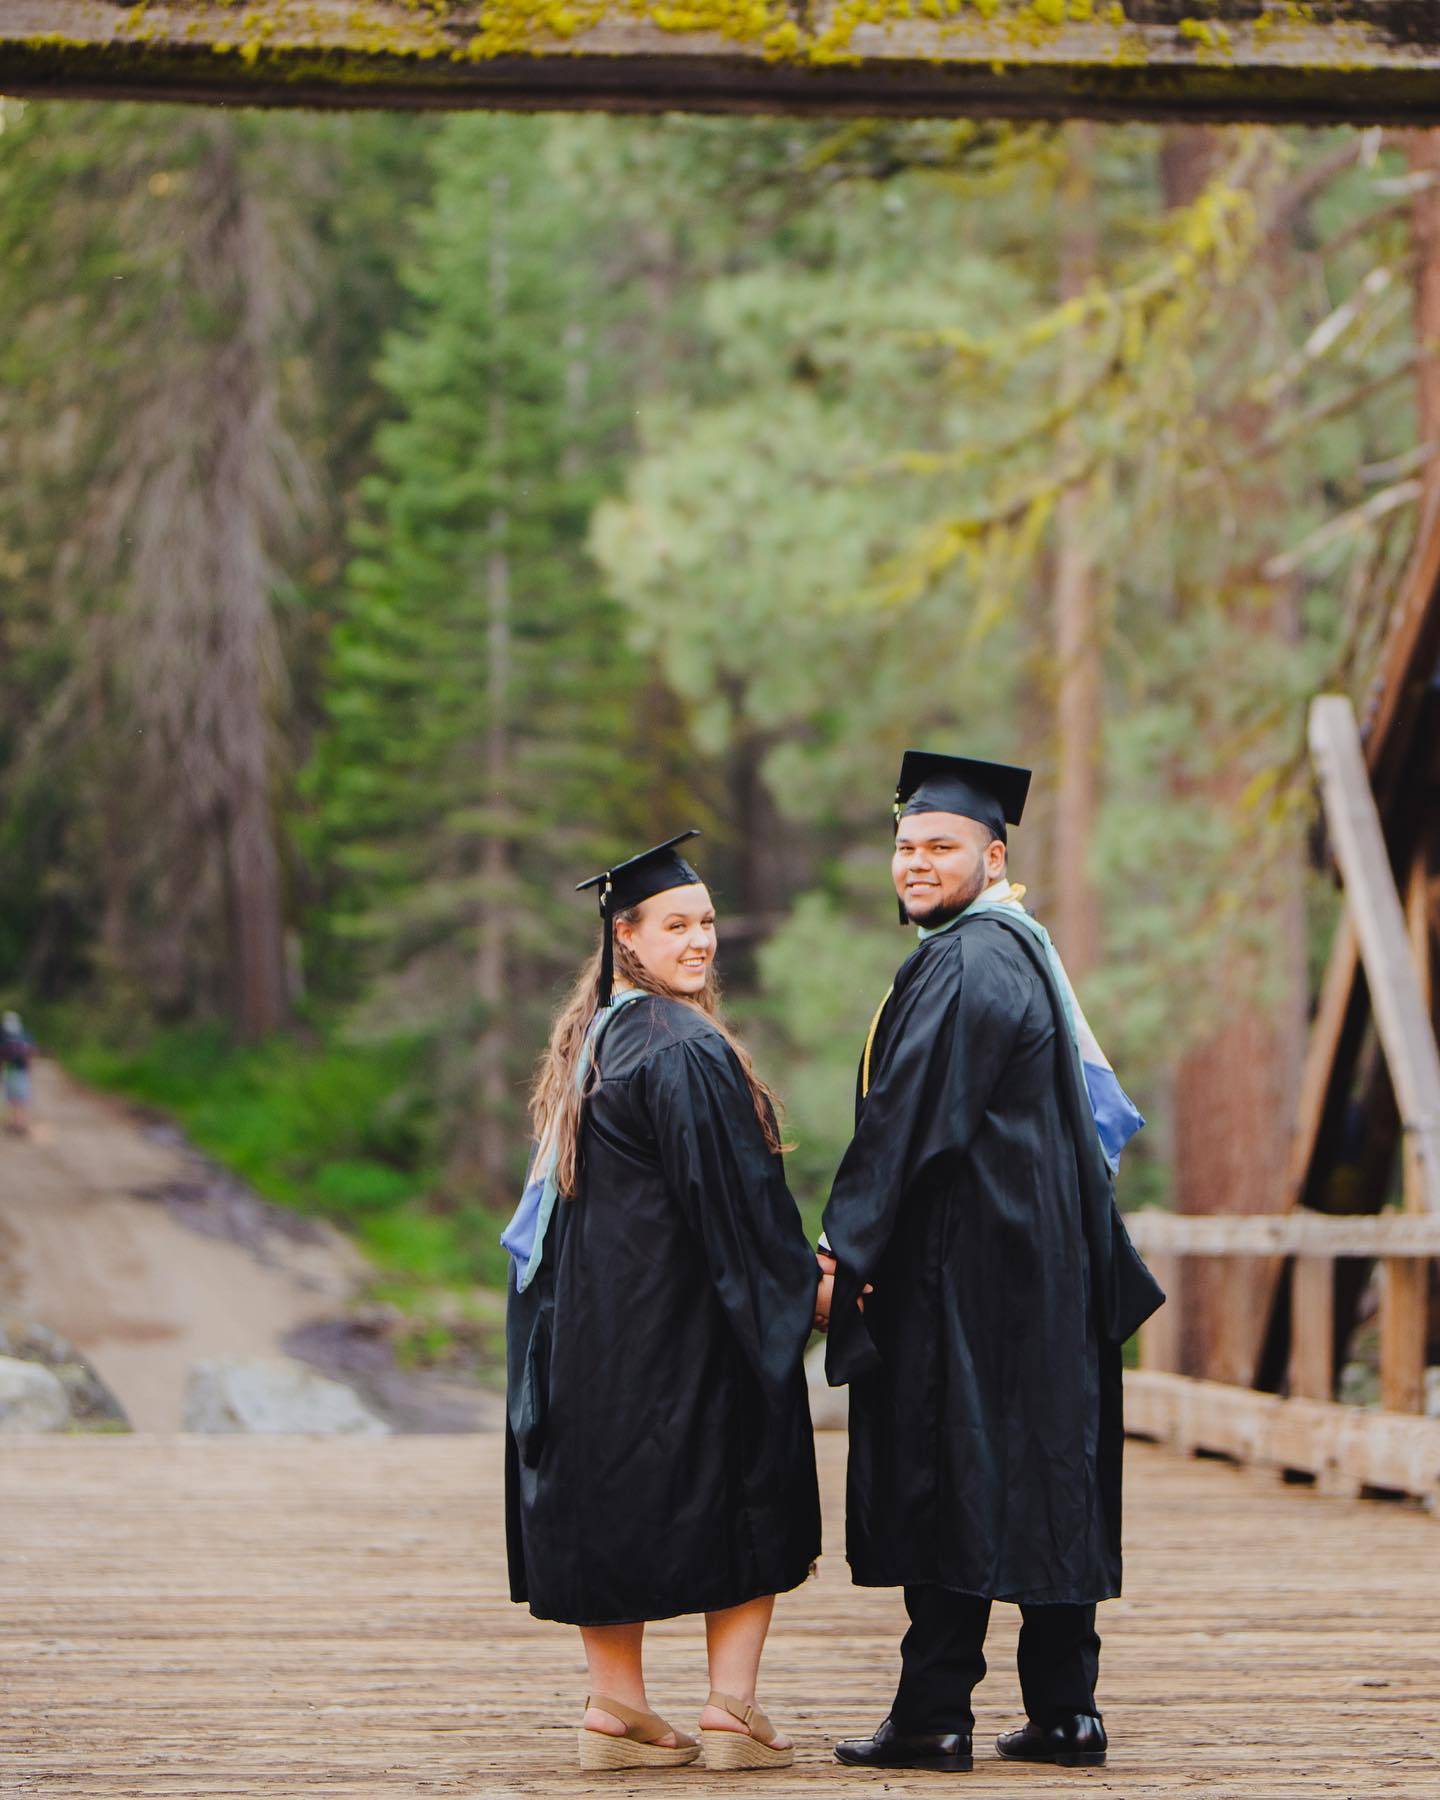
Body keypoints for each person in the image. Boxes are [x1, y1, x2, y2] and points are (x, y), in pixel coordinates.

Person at [814, 750, 1164, 1773]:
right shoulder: (1020, 953)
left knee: (948, 1471)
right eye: (905, 847)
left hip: (974, 1271)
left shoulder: (968, 960)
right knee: (1049, 1471)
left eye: (941, 848)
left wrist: (847, 1246)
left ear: (993, 855)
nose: (916, 864)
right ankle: (1066, 1713)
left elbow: (909, 1123)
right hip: (1044, 1268)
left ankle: (933, 1715)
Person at [503, 831, 821, 1774]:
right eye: (676, 925)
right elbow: (733, 1202)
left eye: (709, 922)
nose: (700, 941)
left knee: (608, 1495)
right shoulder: (682, 1045)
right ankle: (730, 1710)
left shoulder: (601, 1040)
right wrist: (803, 1287)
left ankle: (618, 1710)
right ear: (626, 939)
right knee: (755, 1478)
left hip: (591, 1331)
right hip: (684, 1327)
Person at [1, 1010, 35, 1137]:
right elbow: (30, 1054)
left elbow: (2, 1057)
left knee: (13, 1099)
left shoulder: (5, 1036)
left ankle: (16, 1123)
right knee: (21, 1099)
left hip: (11, 1071)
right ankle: (19, 1123)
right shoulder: (25, 1035)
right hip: (22, 1071)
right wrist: (29, 1071)